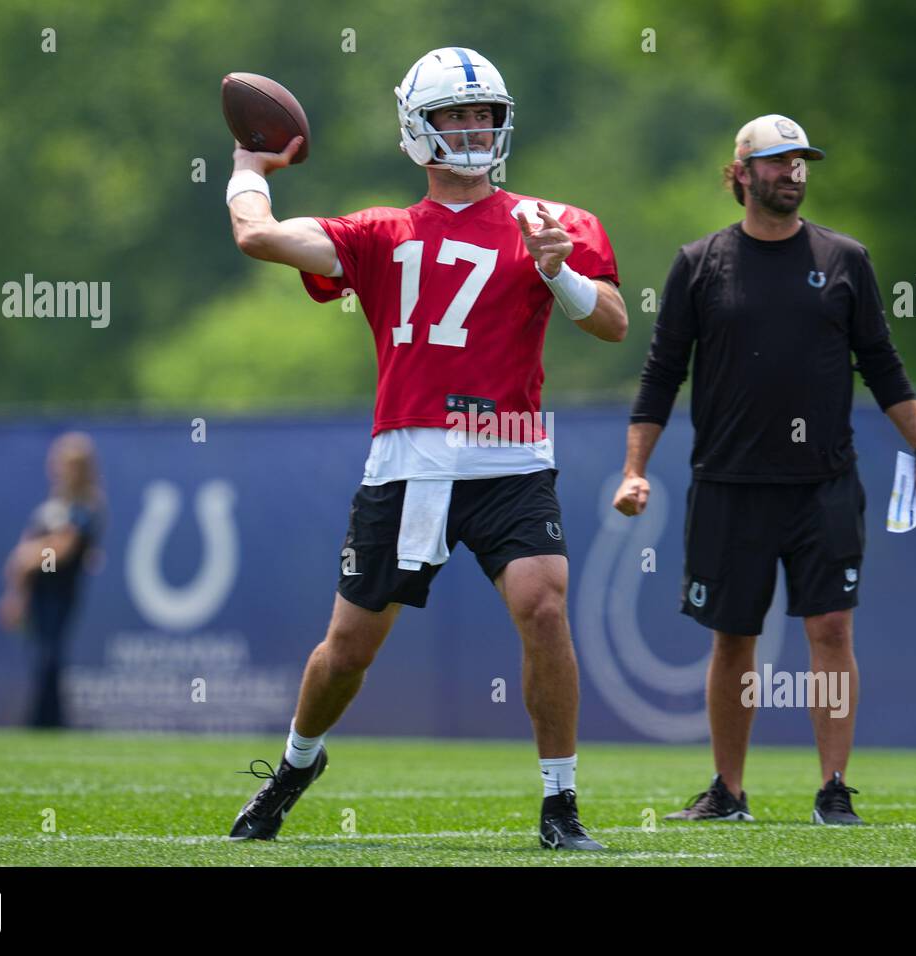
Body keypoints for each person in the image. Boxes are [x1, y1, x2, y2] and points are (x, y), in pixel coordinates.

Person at [224, 47, 627, 849]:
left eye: (486, 115)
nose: (475, 129)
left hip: (510, 450)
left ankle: (560, 805)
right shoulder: (379, 232)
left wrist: (562, 275)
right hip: (410, 460)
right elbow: (257, 237)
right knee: (346, 654)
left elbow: (613, 321)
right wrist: (248, 163)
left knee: (543, 606)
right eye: (456, 115)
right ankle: (296, 765)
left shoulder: (552, 223)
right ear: (419, 129)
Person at [613, 114, 916, 825]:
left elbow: (882, 364)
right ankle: (728, 792)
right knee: (733, 636)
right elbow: (660, 373)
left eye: (800, 161)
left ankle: (833, 790)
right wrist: (633, 469)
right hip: (728, 483)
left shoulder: (844, 259)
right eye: (775, 162)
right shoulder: (700, 263)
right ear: (739, 175)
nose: (792, 172)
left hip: (824, 483)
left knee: (831, 628)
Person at [0, 431, 105, 728]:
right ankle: (46, 720)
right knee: (40, 655)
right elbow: (26, 551)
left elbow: (62, 549)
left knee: (51, 654)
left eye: (67, 464)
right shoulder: (49, 508)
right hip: (38, 591)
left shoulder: (85, 507)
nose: (58, 469)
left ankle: (46, 721)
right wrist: (17, 590)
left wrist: (33, 555)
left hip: (60, 592)